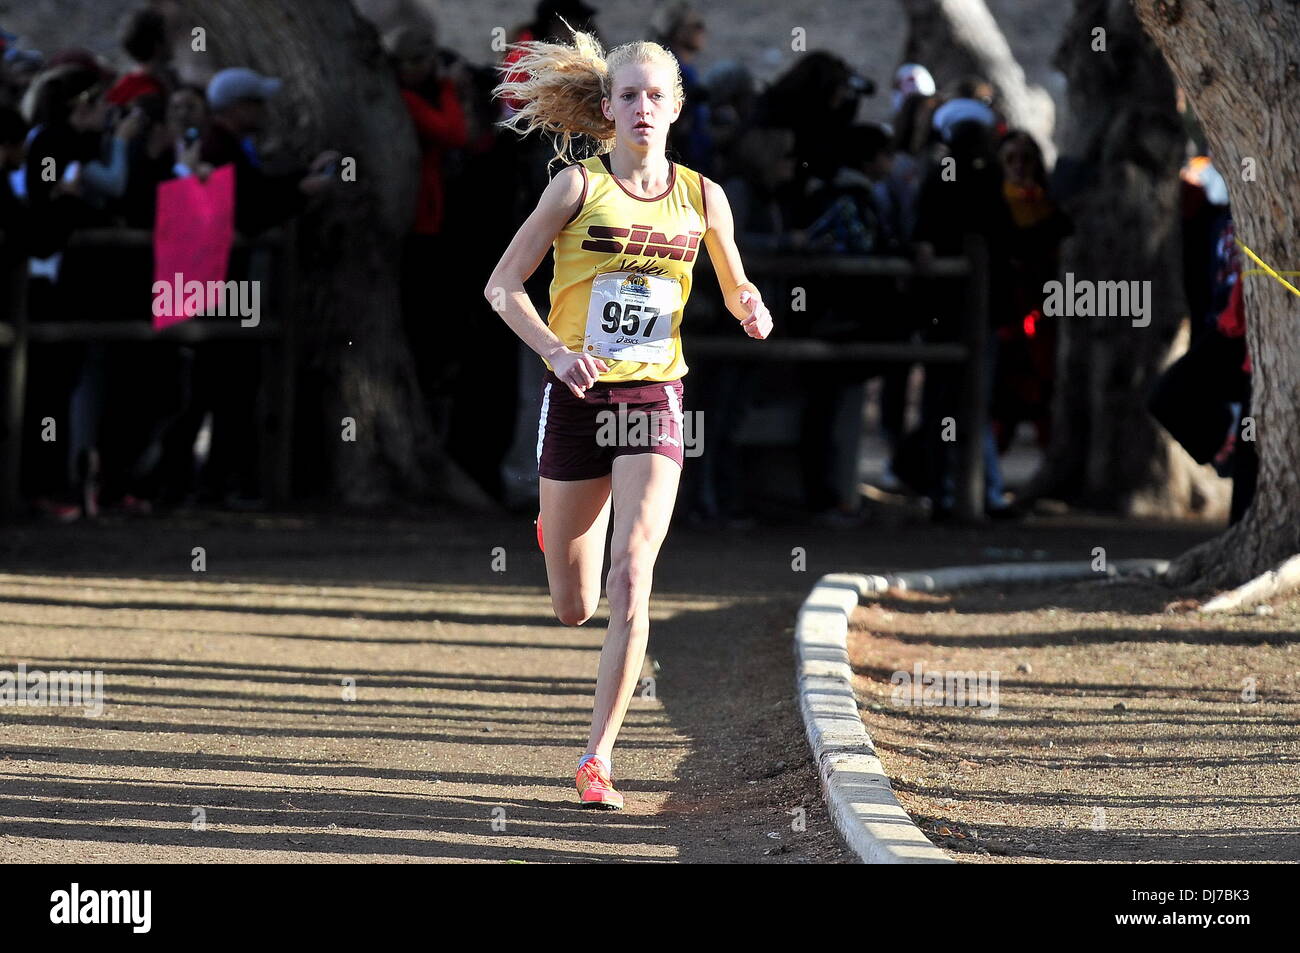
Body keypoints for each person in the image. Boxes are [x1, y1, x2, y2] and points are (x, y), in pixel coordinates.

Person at [486, 23, 772, 809]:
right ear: (606, 109)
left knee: (633, 573)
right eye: (629, 96)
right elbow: (501, 287)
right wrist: (555, 351)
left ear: (676, 107)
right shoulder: (575, 188)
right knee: (573, 605)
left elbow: (734, 279)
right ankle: (556, 527)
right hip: (577, 395)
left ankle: (597, 758)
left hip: (653, 397)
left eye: (656, 95)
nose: (643, 108)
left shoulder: (704, 197)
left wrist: (749, 305)